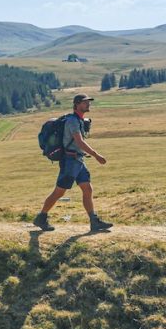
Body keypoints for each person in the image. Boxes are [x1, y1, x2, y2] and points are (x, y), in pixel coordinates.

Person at [33, 94, 113, 232]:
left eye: (88, 102)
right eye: (85, 102)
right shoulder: (72, 121)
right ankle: (41, 217)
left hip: (78, 161)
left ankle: (94, 221)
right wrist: (96, 155)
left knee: (87, 188)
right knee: (59, 192)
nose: (88, 104)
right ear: (77, 104)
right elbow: (79, 142)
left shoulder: (79, 120)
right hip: (70, 162)